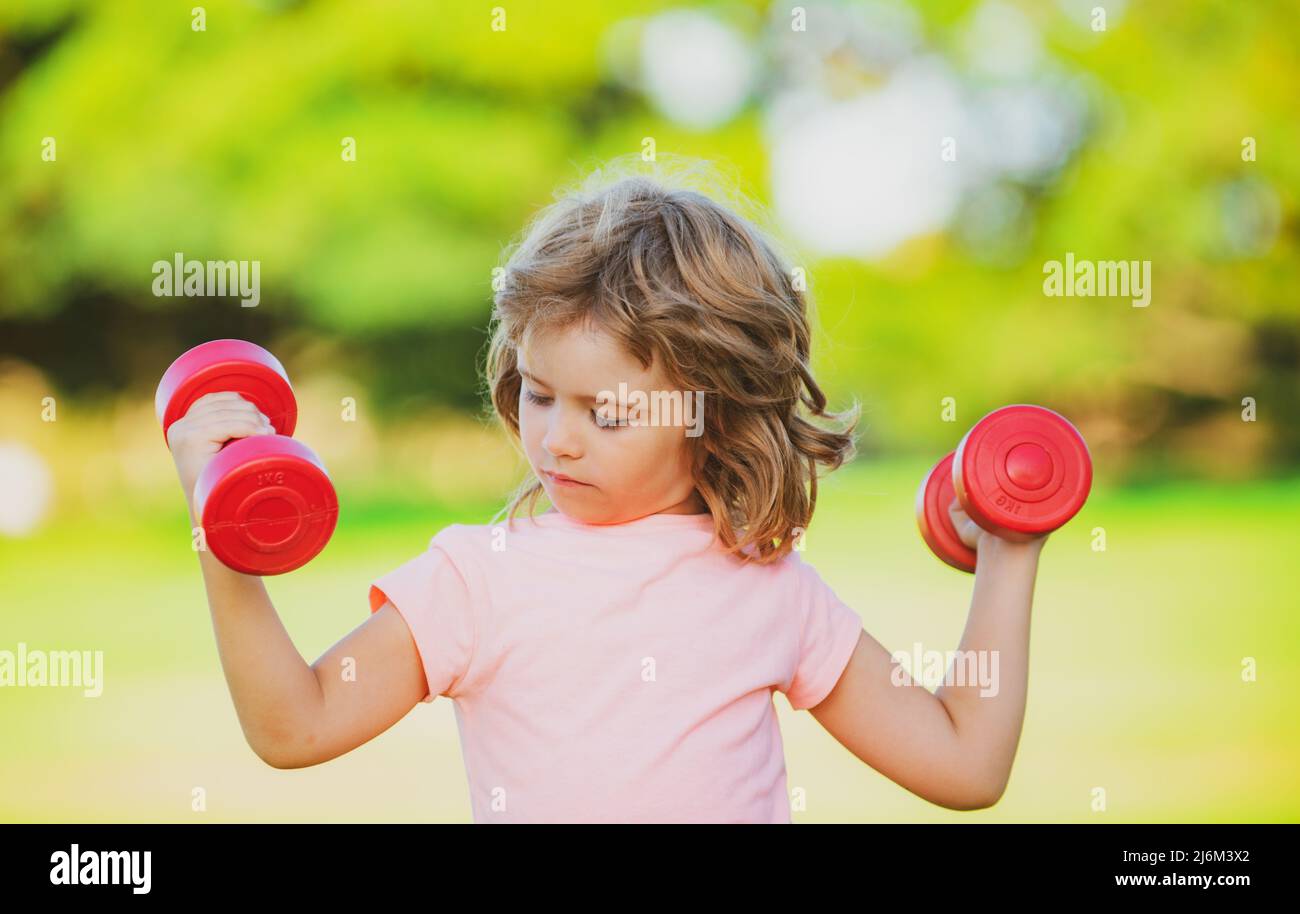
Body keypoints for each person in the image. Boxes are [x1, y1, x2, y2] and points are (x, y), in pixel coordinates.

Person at [165, 159, 1046, 823]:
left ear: (713, 415)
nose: (556, 437)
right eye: (540, 395)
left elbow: (965, 768)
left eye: (608, 412)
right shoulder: (477, 580)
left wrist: (1009, 548)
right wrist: (219, 520)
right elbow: (295, 727)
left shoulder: (771, 591)